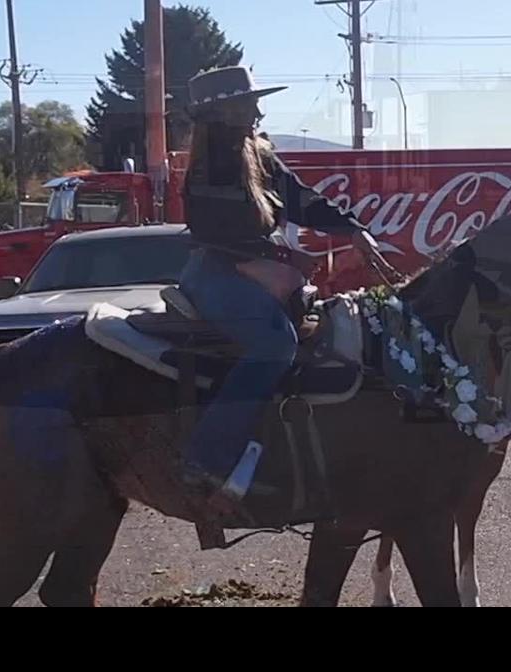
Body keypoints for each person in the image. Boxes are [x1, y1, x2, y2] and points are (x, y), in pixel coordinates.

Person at [176, 65, 398, 503]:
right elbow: (215, 234)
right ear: (222, 113)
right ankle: (207, 457)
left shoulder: (257, 155)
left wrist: (352, 228)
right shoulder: (214, 165)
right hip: (218, 272)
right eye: (248, 102)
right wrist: (275, 260)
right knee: (274, 344)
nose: (257, 109)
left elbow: (302, 200)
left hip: (248, 267)